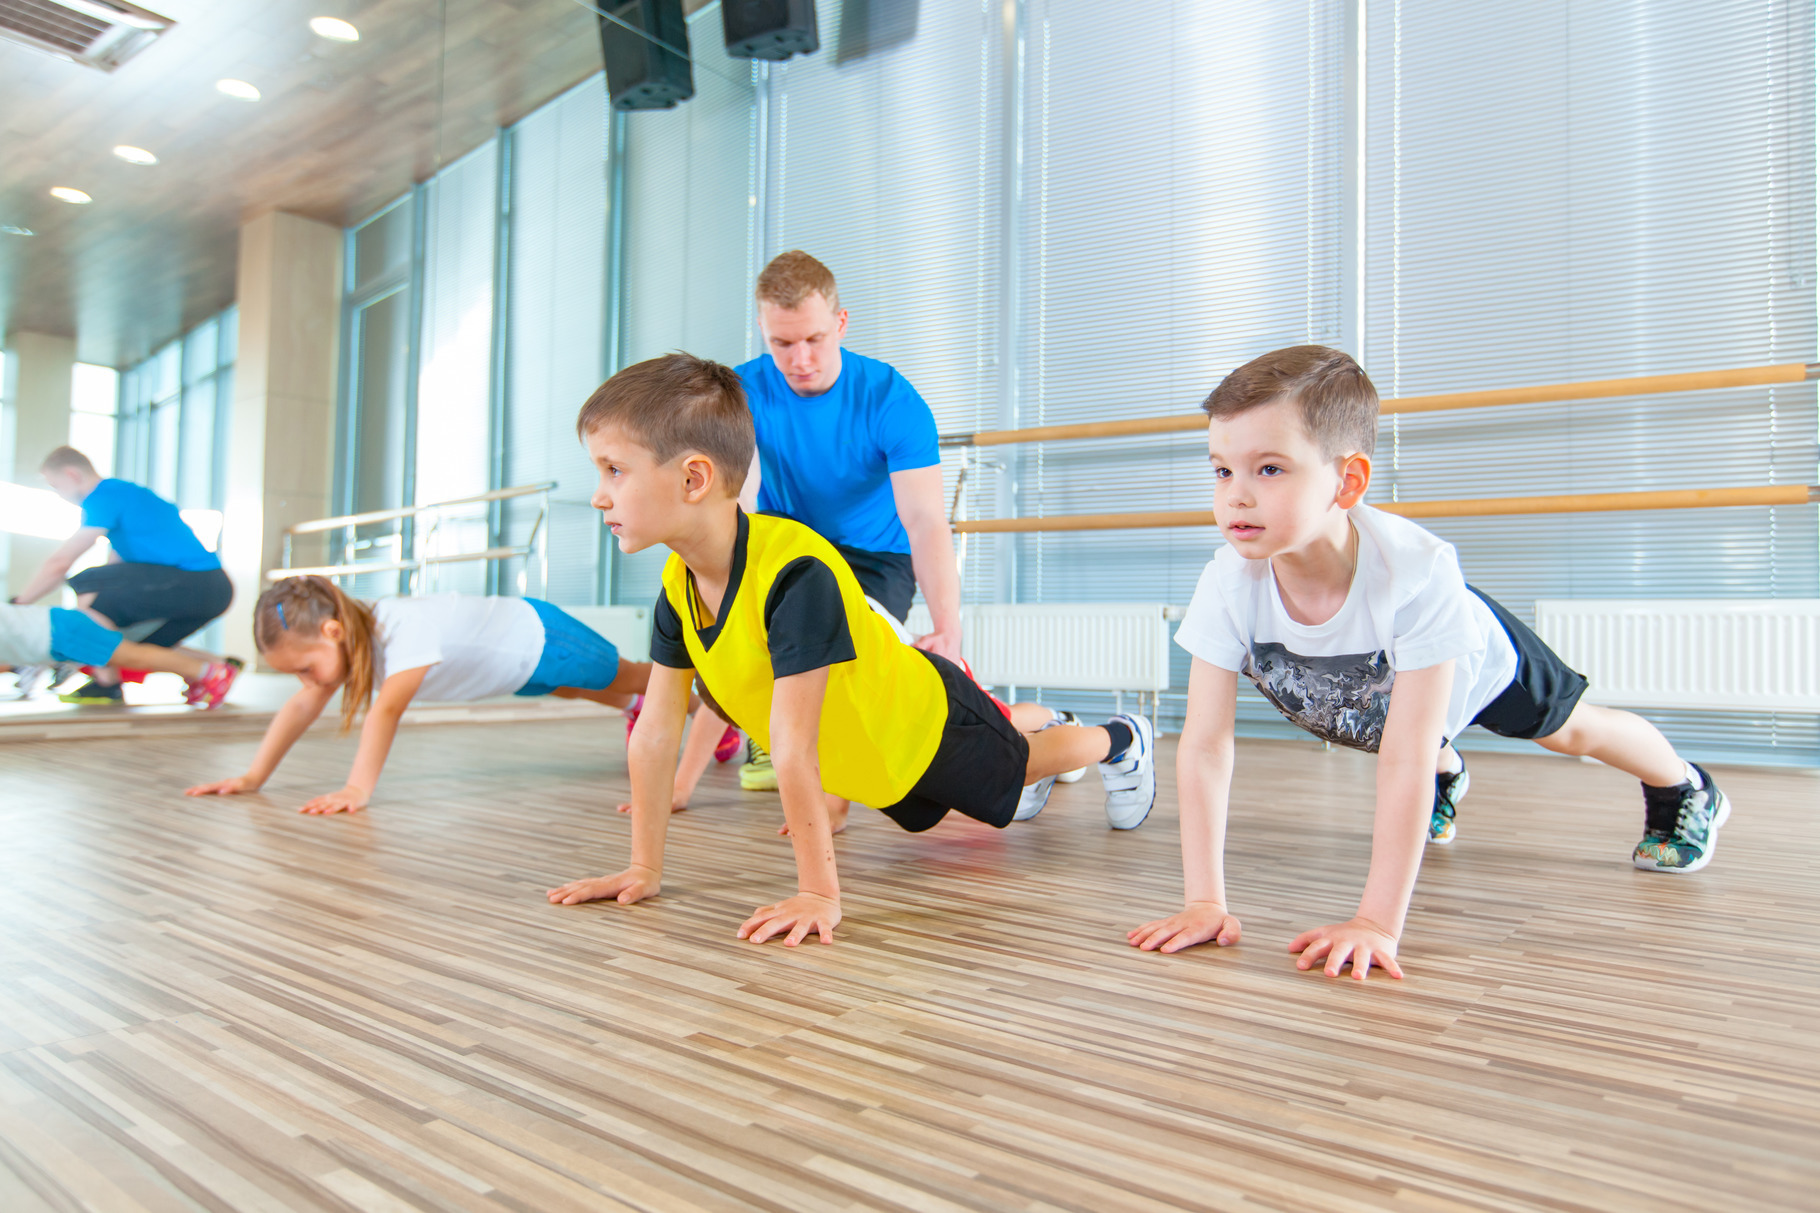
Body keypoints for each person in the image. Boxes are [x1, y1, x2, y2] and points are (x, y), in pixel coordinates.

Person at [1127, 346, 1729, 980]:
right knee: (1393, 724)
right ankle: (1451, 769)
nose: (1237, 497)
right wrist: (1204, 902)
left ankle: (1684, 786)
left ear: (1347, 482)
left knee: (1572, 731)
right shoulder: (1227, 583)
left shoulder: (1417, 576)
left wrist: (1376, 923)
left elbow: (1404, 752)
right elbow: (1204, 745)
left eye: (1270, 469)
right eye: (1222, 471)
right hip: (1372, 701)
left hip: (1477, 664)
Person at [545, 354, 1157, 945]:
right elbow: (654, 732)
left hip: (924, 723)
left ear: (693, 478)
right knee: (993, 753)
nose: (599, 495)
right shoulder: (677, 588)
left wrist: (819, 893)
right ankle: (1044, 722)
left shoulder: (794, 573)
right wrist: (643, 869)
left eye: (613, 470)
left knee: (1022, 762)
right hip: (872, 762)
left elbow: (792, 744)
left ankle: (1121, 738)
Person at [711, 249, 1070, 809]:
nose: (799, 359)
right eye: (782, 343)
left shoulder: (890, 399)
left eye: (814, 339)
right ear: (762, 329)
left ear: (841, 323)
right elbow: (741, 501)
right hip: (789, 546)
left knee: (863, 681)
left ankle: (1047, 723)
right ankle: (781, 747)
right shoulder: (741, 391)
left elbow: (926, 522)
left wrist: (947, 630)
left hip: (876, 554)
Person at [184, 576, 673, 814]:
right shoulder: (347, 647)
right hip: (515, 667)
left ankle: (699, 705)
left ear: (333, 631)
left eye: (306, 669)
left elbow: (387, 710)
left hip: (540, 635)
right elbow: (300, 707)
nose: (307, 683)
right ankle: (643, 713)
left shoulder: (398, 626)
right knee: (574, 690)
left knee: (632, 676)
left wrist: (357, 790)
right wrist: (252, 776)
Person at [13, 446, 233, 705]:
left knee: (87, 584)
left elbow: (60, 562)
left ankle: (107, 683)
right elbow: (116, 567)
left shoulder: (104, 496)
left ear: (72, 474)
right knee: (128, 641)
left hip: (196, 583)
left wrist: (19, 607)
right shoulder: (128, 495)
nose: (58, 494)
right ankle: (217, 667)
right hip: (206, 588)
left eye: (55, 485)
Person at [1, 601, 240, 707]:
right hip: (56, 633)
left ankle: (212, 672)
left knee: (133, 657)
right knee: (132, 655)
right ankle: (206, 672)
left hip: (60, 631)